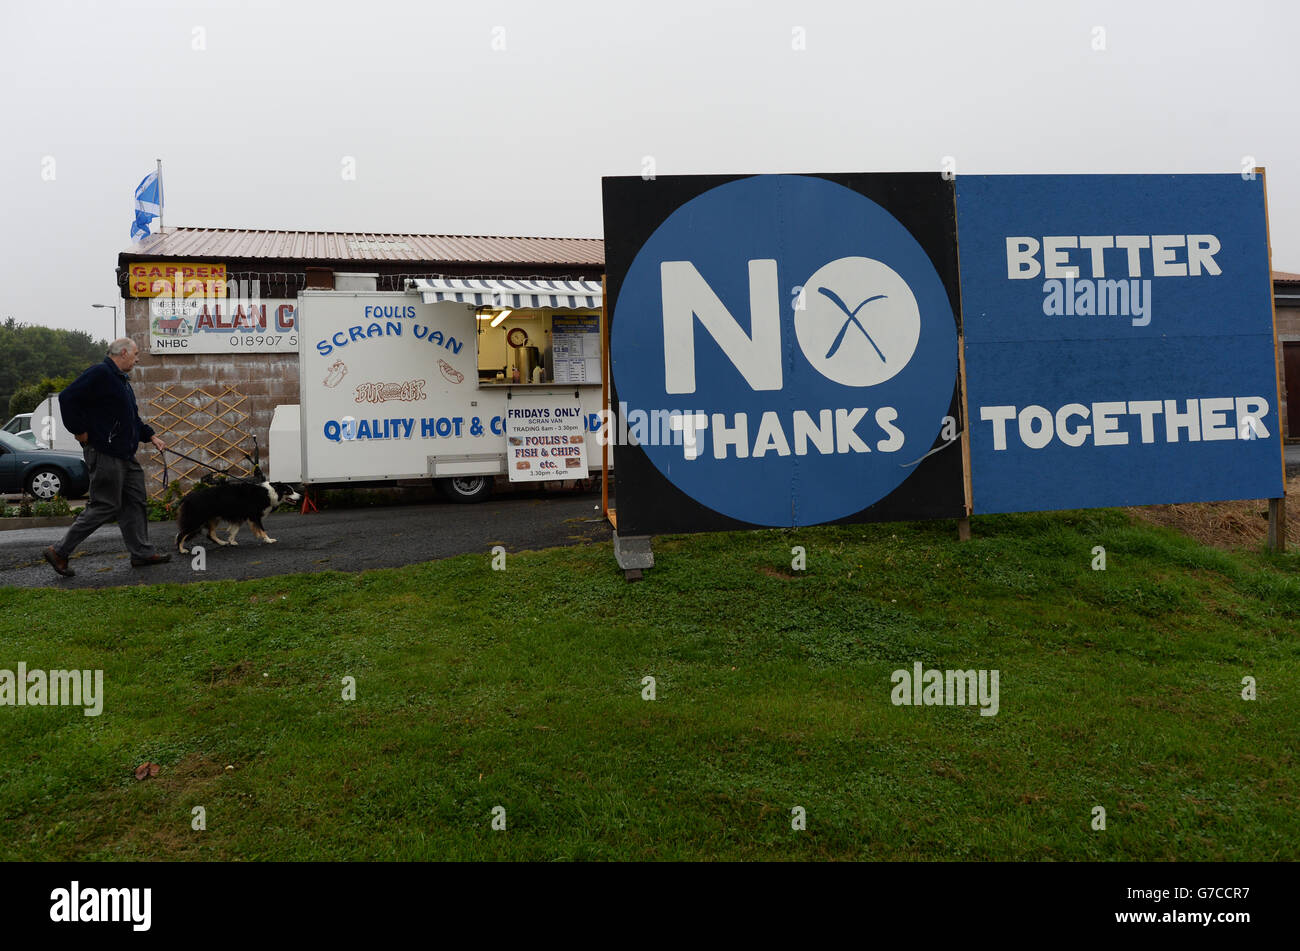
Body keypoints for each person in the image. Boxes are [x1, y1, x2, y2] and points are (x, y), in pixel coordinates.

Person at [42, 337, 171, 577]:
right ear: (123, 353)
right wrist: (79, 430)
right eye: (135, 354)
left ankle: (142, 553)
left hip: (125, 453)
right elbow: (67, 397)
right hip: (104, 452)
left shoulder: (121, 380)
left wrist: (151, 436)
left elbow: (129, 417)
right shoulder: (100, 373)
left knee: (135, 500)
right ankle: (60, 551)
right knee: (105, 504)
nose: (137, 359)